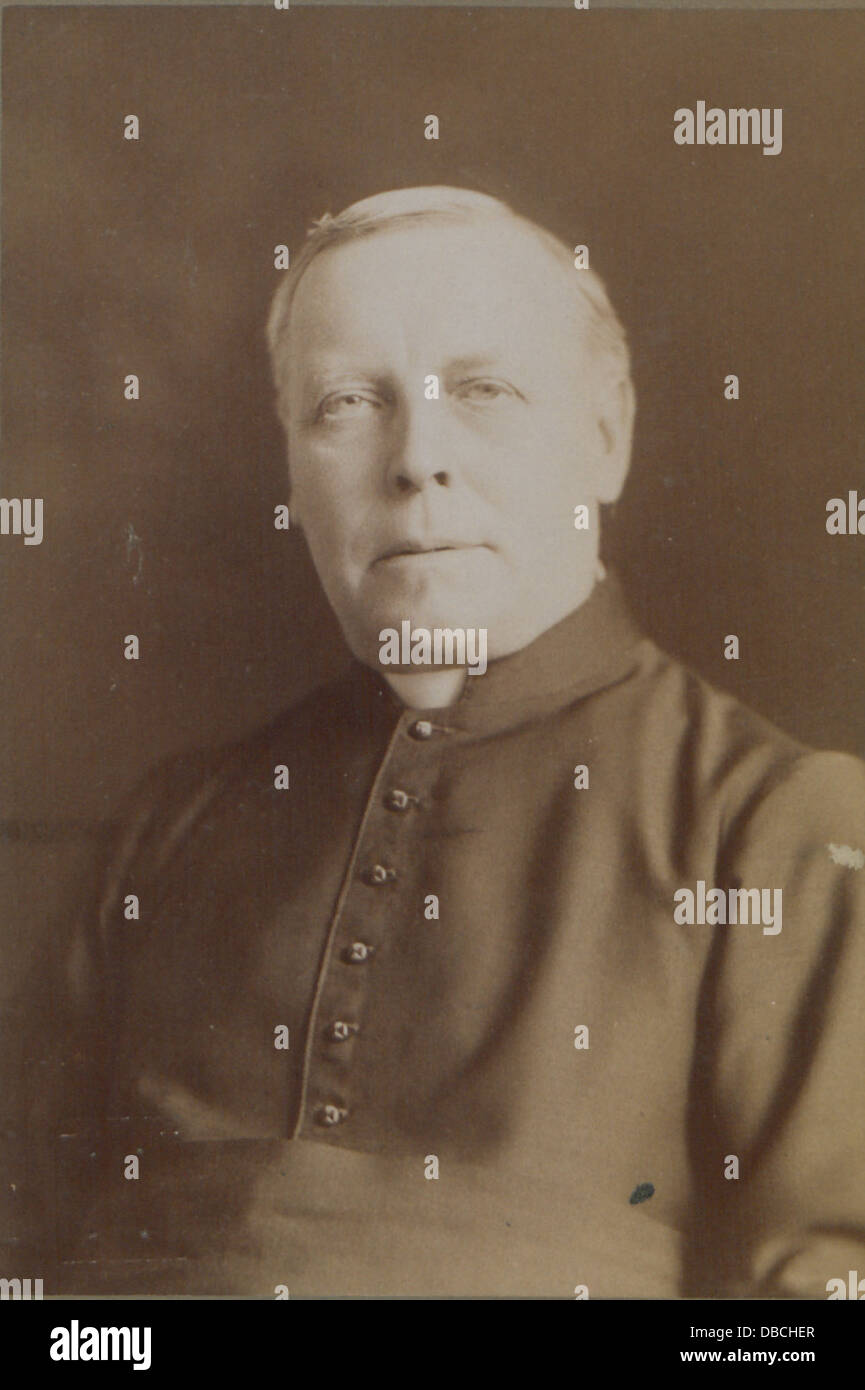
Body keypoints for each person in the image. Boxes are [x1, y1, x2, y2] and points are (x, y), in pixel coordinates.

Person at [16, 186, 865, 1299]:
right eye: (346, 404)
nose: (417, 460)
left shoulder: (775, 828)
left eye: (484, 390)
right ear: (292, 470)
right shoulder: (166, 831)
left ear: (604, 438)